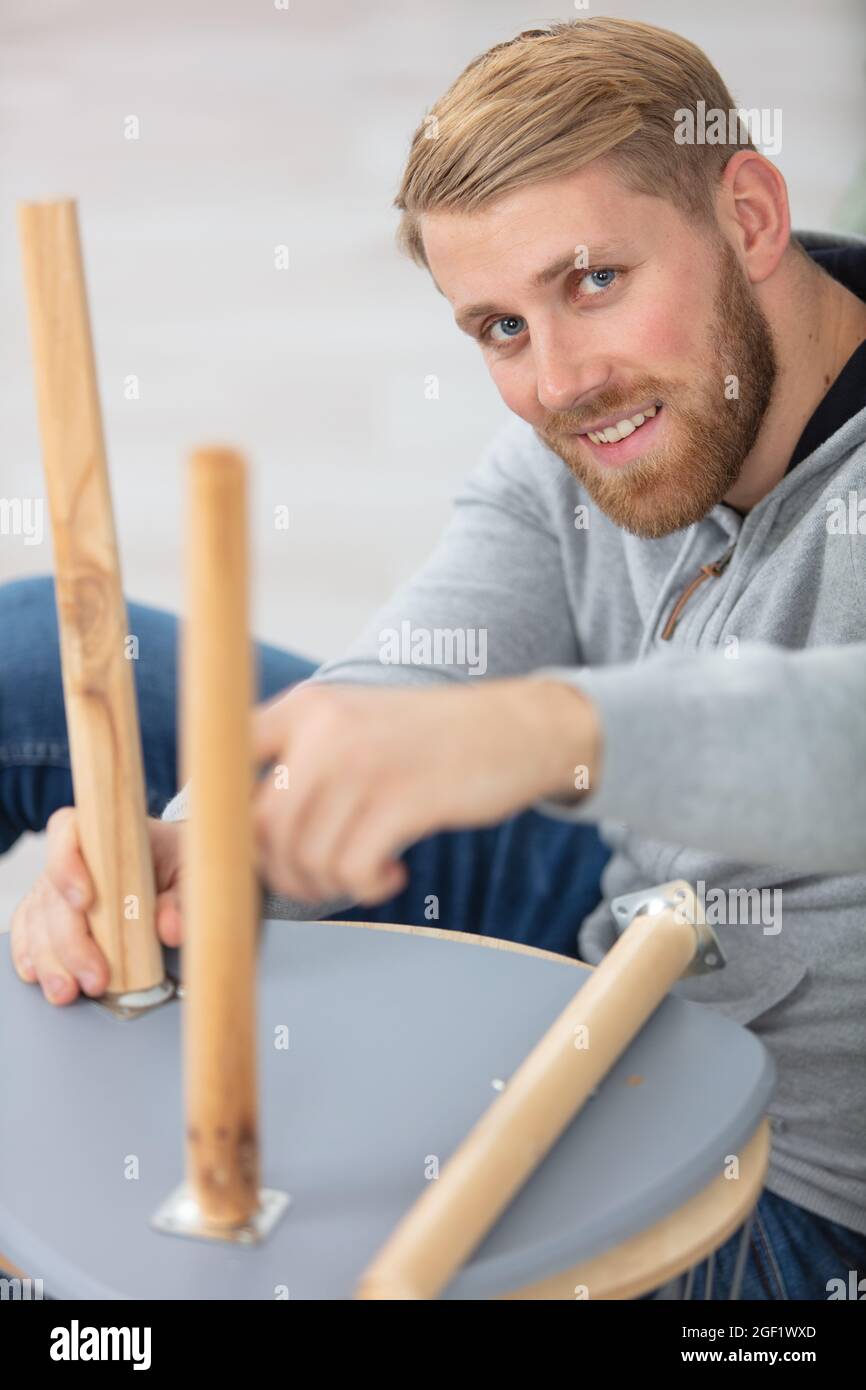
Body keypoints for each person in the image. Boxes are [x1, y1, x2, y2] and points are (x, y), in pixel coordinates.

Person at [4, 17, 866, 1299]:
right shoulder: (596, 423)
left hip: (795, 1175)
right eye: (499, 327)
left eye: (593, 281)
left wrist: (538, 733)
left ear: (746, 216)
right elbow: (414, 671)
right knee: (30, 653)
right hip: (626, 915)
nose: (557, 381)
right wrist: (210, 844)